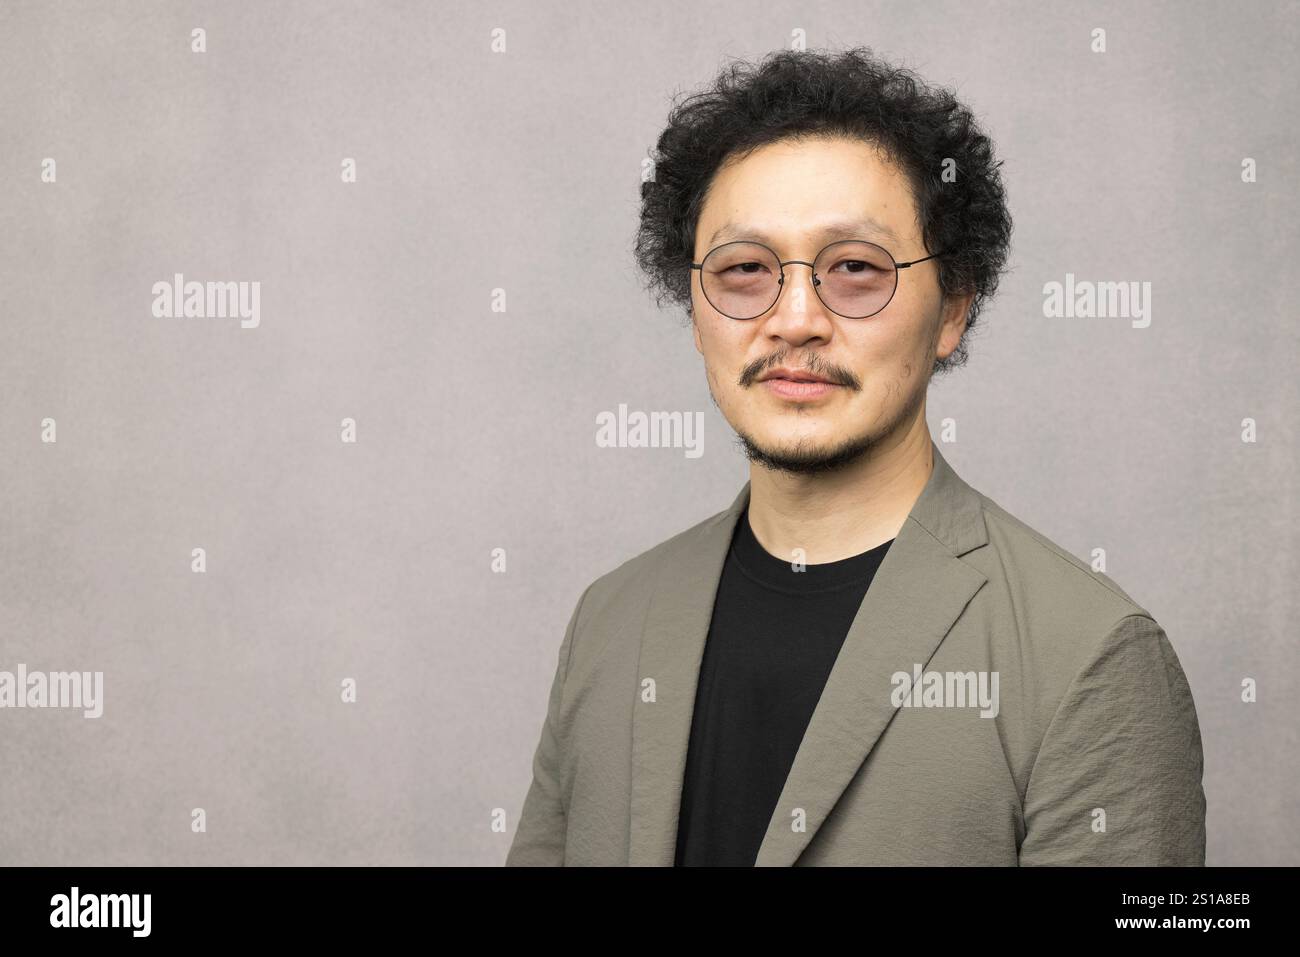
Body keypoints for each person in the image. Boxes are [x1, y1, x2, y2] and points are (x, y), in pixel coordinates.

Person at [506, 46, 1206, 866]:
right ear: (694, 309)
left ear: (953, 309)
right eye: (743, 270)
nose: (795, 318)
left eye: (854, 269)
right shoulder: (610, 619)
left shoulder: (1090, 656)